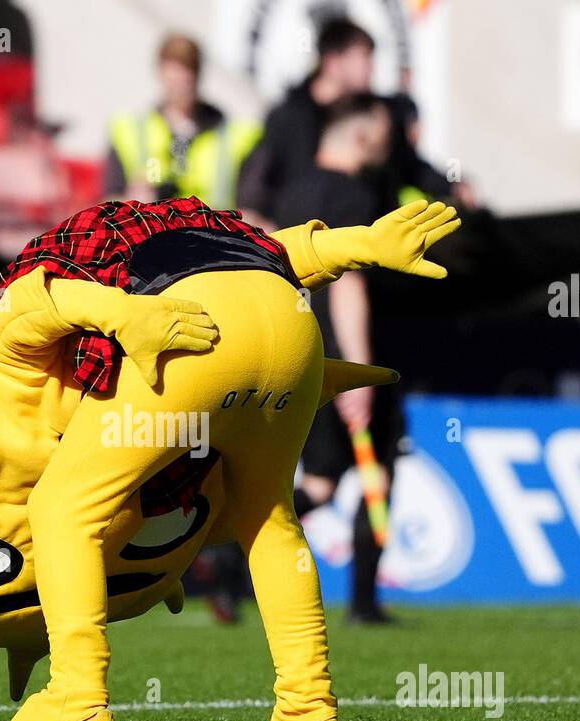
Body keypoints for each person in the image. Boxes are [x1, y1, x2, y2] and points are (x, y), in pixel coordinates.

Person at [275, 93, 406, 625]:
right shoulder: (354, 197)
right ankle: (365, 603)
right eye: (381, 131)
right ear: (357, 135)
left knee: (322, 484)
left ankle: (224, 557)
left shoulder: (293, 194)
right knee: (380, 473)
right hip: (343, 362)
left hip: (299, 356)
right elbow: (349, 285)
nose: (388, 141)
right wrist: (362, 371)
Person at [237, 16, 375, 219]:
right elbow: (254, 185)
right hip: (296, 240)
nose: (371, 68)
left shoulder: (371, 112)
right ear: (333, 62)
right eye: (364, 57)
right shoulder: (288, 117)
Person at [105, 34, 261, 210]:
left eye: (185, 81)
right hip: (152, 232)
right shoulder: (131, 130)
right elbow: (109, 200)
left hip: (211, 233)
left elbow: (251, 209)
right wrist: (131, 201)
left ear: (197, 77)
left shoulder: (235, 137)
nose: (179, 90)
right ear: (160, 74)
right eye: (173, 82)